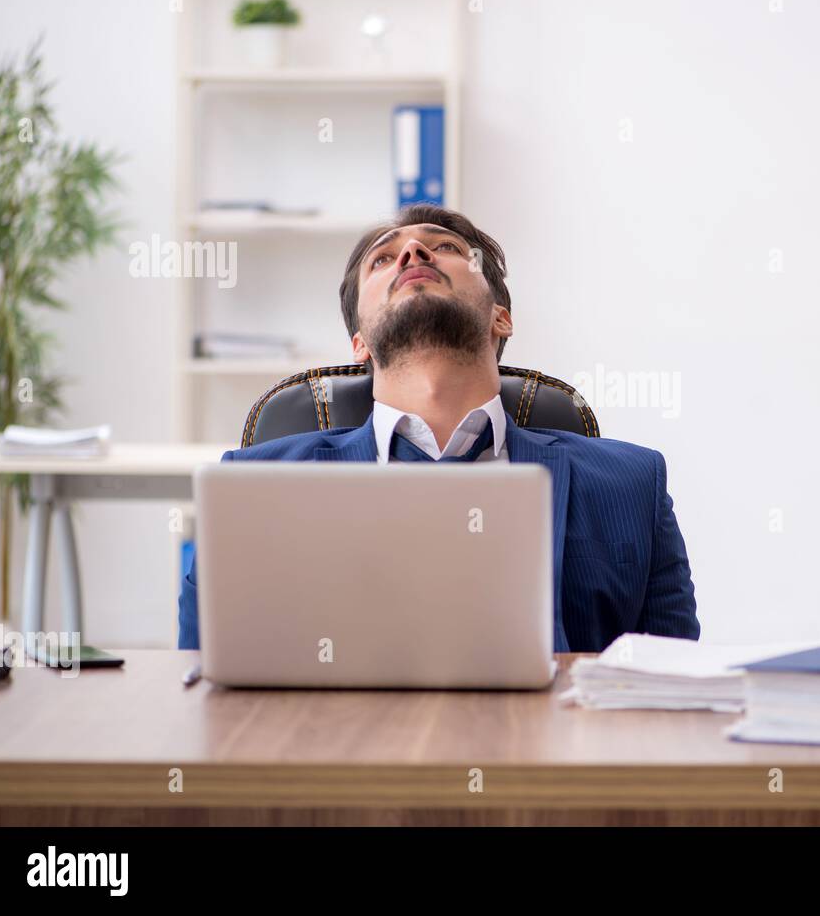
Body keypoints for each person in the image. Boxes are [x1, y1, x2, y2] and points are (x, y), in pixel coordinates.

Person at [177, 204, 699, 653]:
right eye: (384, 258)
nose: (412, 255)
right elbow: (203, 692)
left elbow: (671, 694)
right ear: (358, 342)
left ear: (501, 317)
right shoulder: (253, 490)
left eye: (444, 247)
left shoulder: (632, 485)